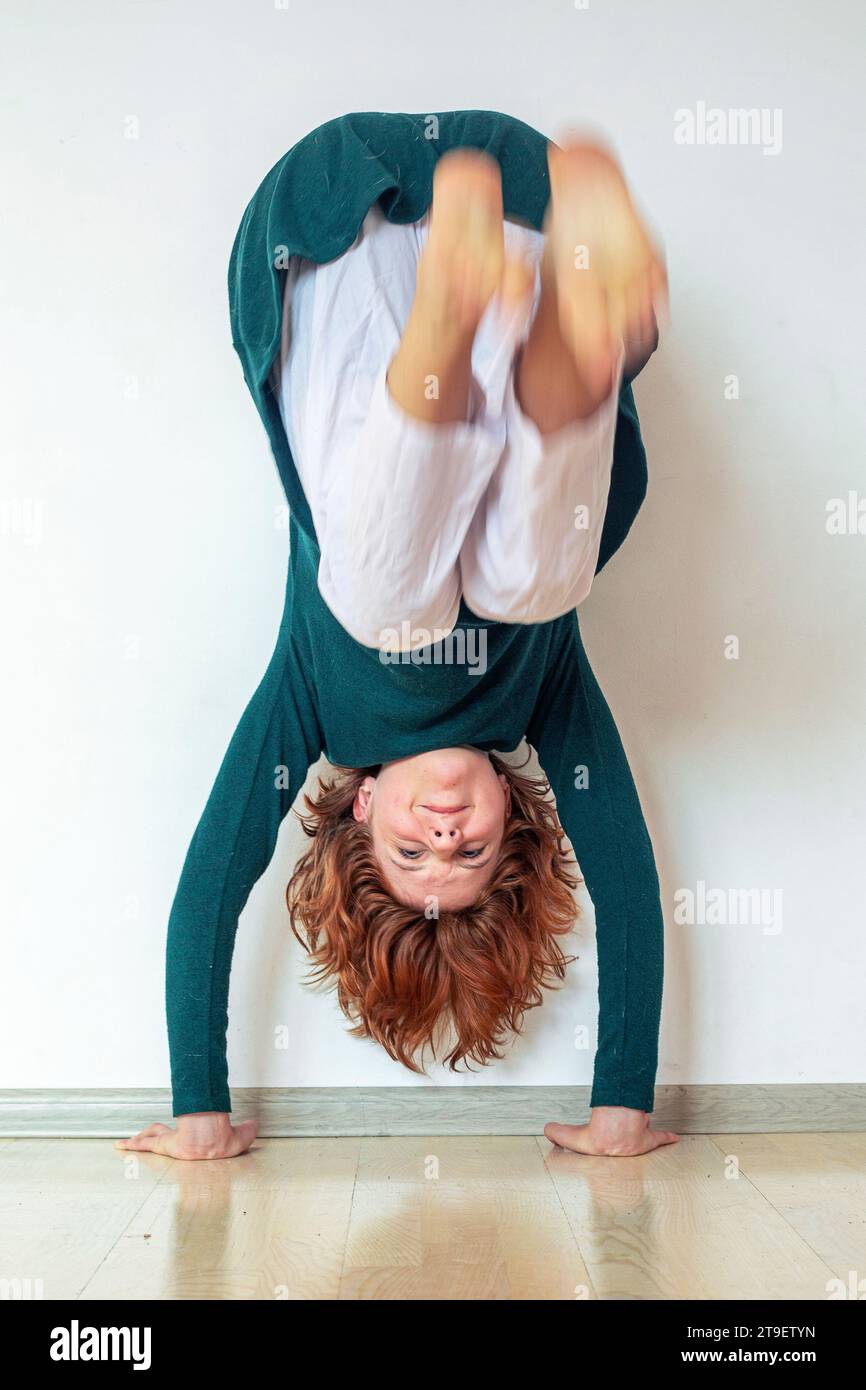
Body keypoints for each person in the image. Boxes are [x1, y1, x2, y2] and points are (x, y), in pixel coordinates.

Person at [116, 109, 676, 1163]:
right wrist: (621, 1106)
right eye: (466, 851)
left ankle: (450, 314)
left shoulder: (315, 709)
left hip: (341, 254)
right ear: (512, 810)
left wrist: (200, 1106)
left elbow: (214, 880)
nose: (443, 825)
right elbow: (626, 880)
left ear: (362, 807)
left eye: (411, 847)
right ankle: (574, 324)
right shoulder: (540, 704)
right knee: (535, 578)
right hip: (521, 214)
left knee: (379, 602)